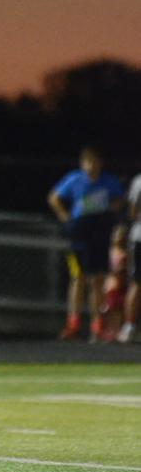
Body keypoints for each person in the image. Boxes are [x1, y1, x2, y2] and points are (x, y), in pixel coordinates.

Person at [47, 146, 123, 343]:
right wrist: (66, 218)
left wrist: (106, 209)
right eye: (88, 162)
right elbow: (54, 198)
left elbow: (119, 201)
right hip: (79, 235)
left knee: (97, 279)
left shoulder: (109, 182)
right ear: (82, 164)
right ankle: (73, 323)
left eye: (95, 161)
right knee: (77, 278)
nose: (92, 166)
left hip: (99, 233)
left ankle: (97, 325)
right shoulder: (75, 179)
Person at [118, 173, 141, 342]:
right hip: (140, 238)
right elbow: (132, 211)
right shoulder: (139, 181)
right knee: (136, 283)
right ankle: (129, 326)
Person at [101, 225, 127, 341]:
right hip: (109, 286)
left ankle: (117, 330)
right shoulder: (108, 252)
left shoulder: (125, 253)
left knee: (118, 311)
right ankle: (109, 330)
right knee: (108, 310)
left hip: (119, 287)